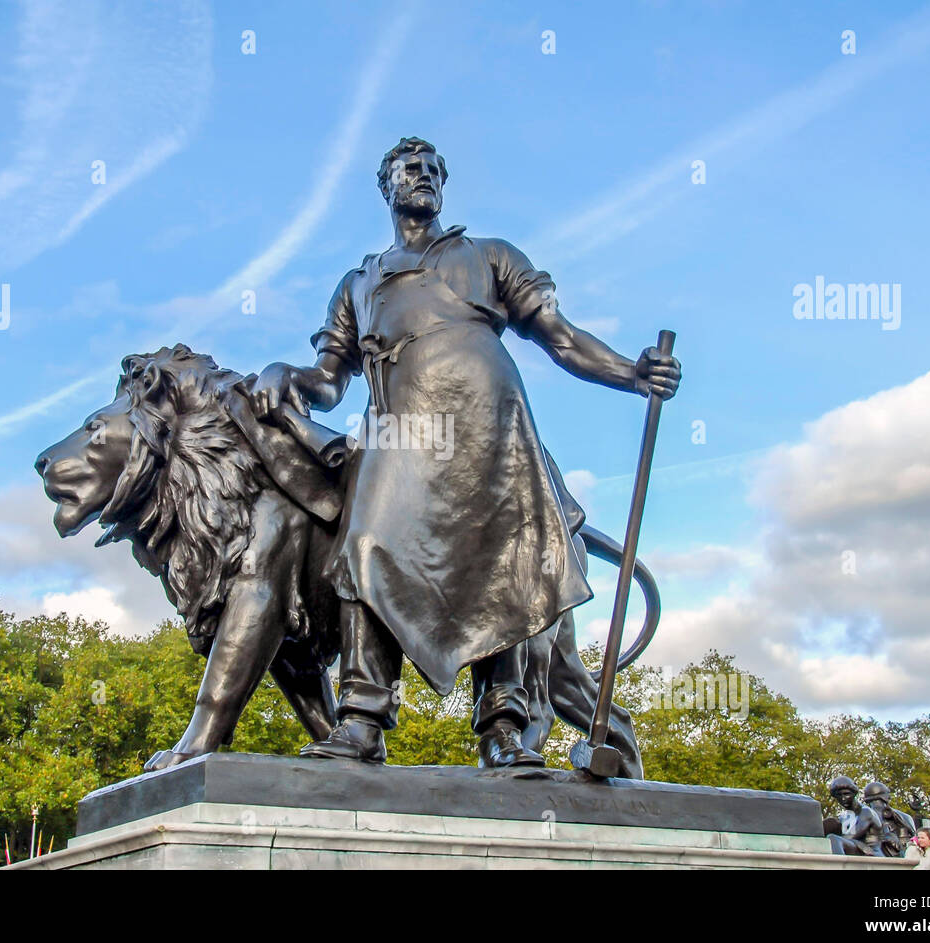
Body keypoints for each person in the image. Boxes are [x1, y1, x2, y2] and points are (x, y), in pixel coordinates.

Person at [252, 137, 680, 768]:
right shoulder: (359, 283)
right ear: (387, 186)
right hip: (399, 428)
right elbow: (327, 379)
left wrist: (631, 372)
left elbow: (559, 338)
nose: (422, 177)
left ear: (443, 185)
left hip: (488, 421)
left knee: (498, 556)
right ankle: (362, 721)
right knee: (365, 545)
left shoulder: (490, 256)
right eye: (409, 170)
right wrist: (283, 374)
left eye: (432, 170)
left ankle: (503, 728)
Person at [827, 776, 885, 855]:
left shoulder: (866, 812)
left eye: (846, 794)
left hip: (873, 854)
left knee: (833, 839)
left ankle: (838, 866)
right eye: (839, 795)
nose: (843, 798)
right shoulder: (844, 816)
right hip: (859, 851)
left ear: (854, 794)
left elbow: (849, 838)